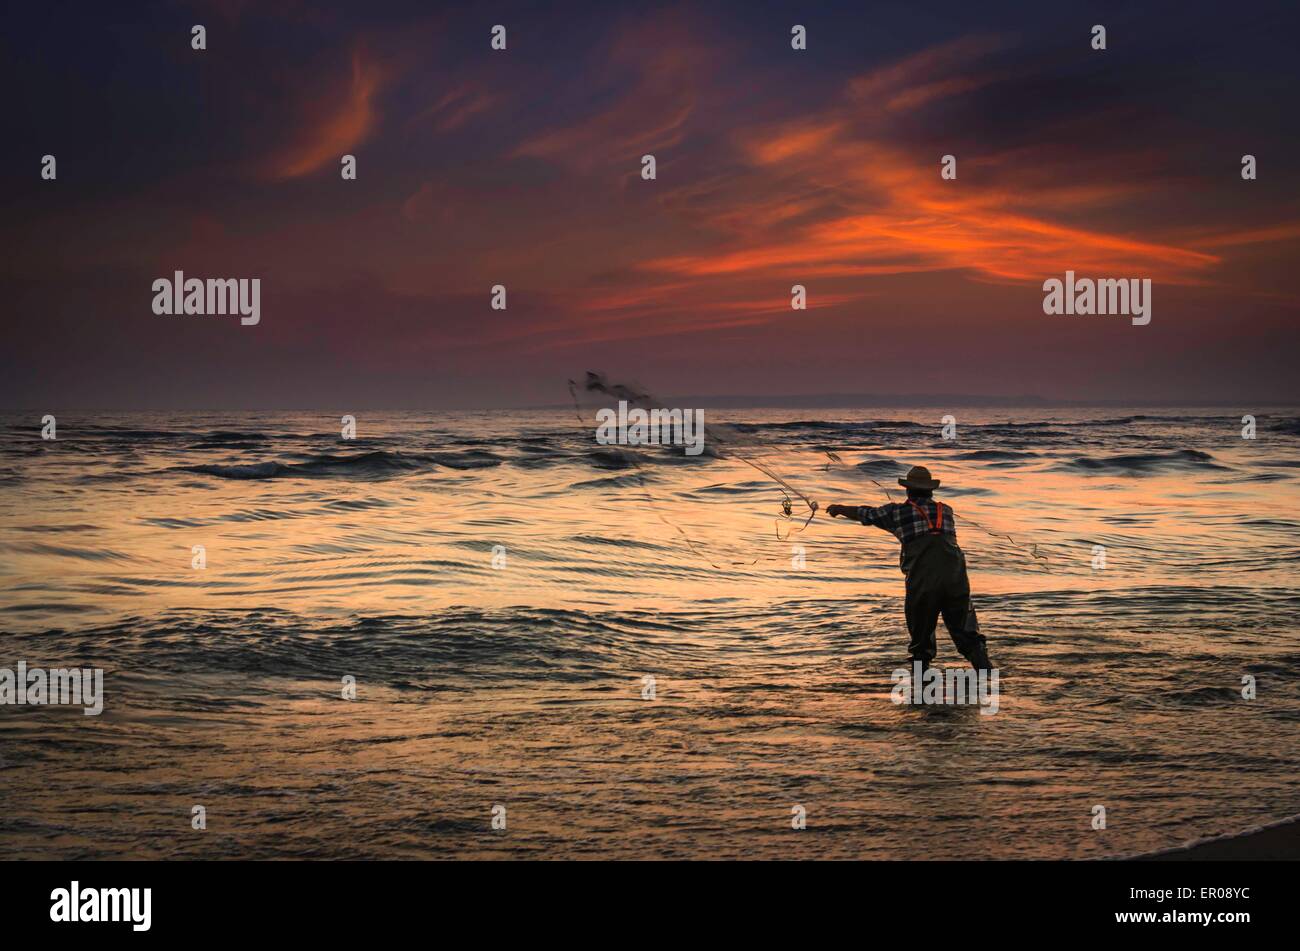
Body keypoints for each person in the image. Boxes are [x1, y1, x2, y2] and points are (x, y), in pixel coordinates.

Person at [827, 465, 993, 672]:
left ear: (908, 490)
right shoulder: (946, 510)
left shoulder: (898, 512)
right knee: (968, 636)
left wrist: (839, 509)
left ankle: (920, 694)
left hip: (923, 583)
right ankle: (989, 678)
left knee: (921, 642)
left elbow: (866, 514)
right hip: (956, 581)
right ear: (931, 491)